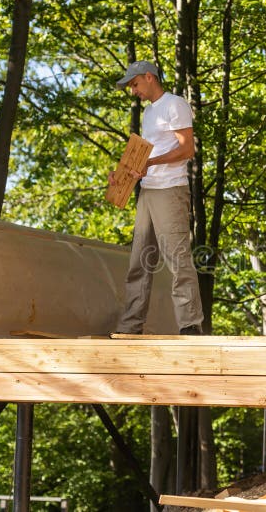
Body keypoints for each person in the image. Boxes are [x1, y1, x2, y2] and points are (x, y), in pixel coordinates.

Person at [110, 60, 204, 335]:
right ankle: (130, 326)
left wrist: (152, 163)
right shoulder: (149, 114)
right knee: (139, 260)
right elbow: (143, 158)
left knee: (177, 259)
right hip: (148, 192)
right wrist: (121, 175)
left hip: (170, 190)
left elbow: (187, 150)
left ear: (149, 77)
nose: (133, 91)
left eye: (135, 84)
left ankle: (190, 325)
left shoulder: (175, 104)